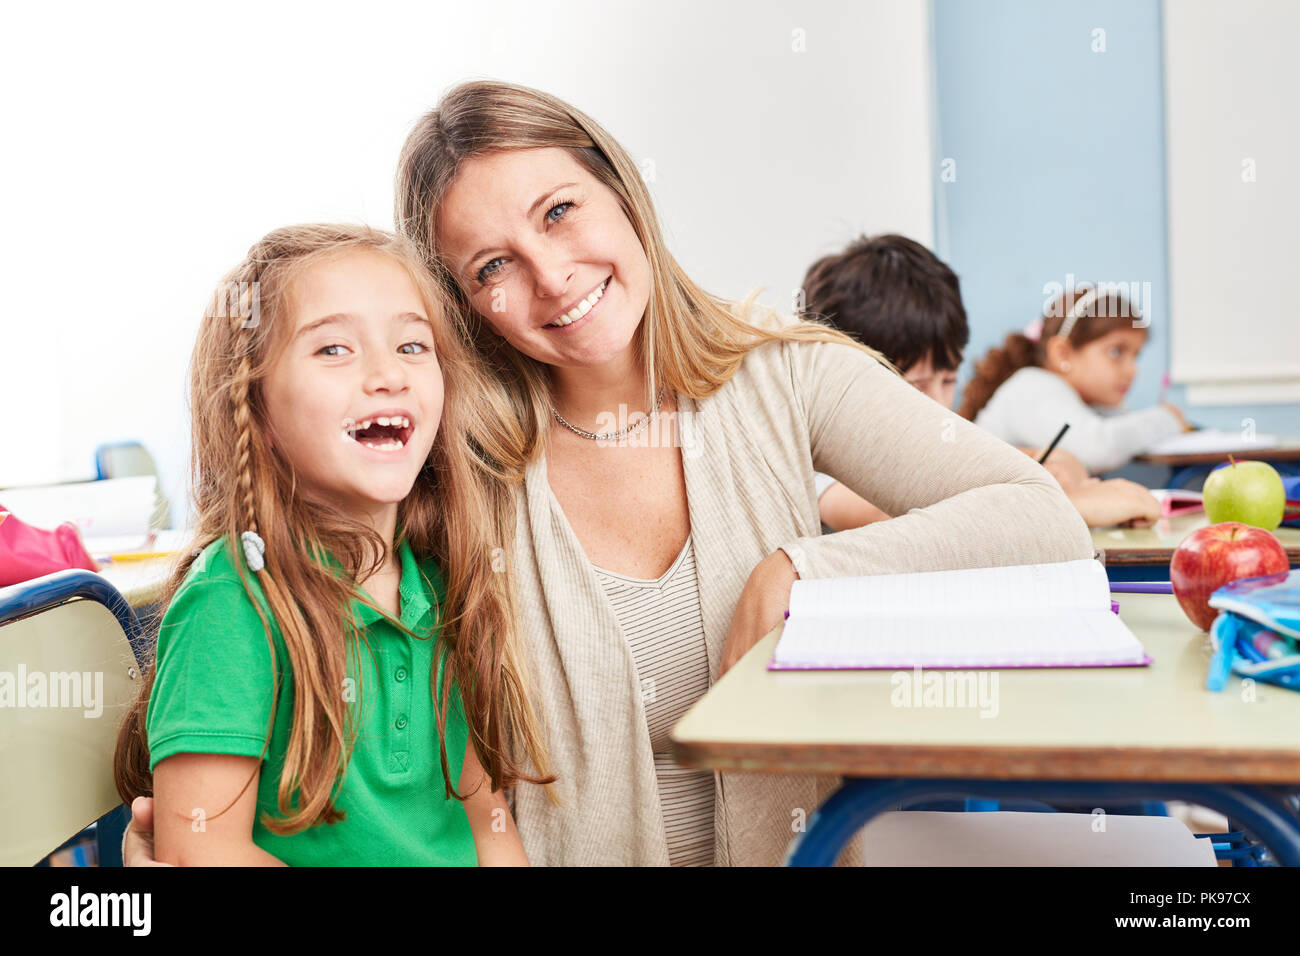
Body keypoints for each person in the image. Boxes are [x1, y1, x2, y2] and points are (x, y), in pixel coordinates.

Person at [128, 81, 1095, 867]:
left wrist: (807, 571)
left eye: (560, 212)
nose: (551, 275)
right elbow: (296, 602)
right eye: (491, 265)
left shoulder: (786, 374)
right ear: (461, 305)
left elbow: (1039, 519)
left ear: (621, 191)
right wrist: (197, 836)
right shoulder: (451, 447)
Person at [113, 224, 552, 865]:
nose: (387, 374)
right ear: (255, 412)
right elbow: (199, 855)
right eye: (334, 350)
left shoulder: (440, 586)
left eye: (411, 344)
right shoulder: (232, 601)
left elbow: (487, 822)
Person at [800, 235, 1161, 531]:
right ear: (842, 383)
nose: (938, 404)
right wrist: (1068, 505)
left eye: (948, 379)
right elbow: (896, 516)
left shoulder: (932, 443)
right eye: (917, 387)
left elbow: (1057, 461)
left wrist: (1051, 466)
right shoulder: (815, 465)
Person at [958, 285, 1189, 474]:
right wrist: (1168, 418)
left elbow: (1116, 426)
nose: (1132, 371)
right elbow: (1098, 448)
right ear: (1063, 354)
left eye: (1135, 356)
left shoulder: (1082, 402)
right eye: (1116, 352)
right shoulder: (1032, 387)